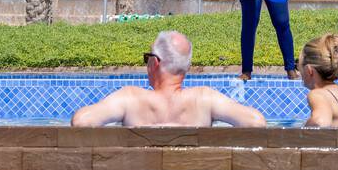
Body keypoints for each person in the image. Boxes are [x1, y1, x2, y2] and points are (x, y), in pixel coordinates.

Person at [70, 31, 265, 128]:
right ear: (187, 67)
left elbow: (81, 122)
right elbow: (257, 122)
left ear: (155, 62)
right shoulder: (204, 100)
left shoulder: (130, 99)